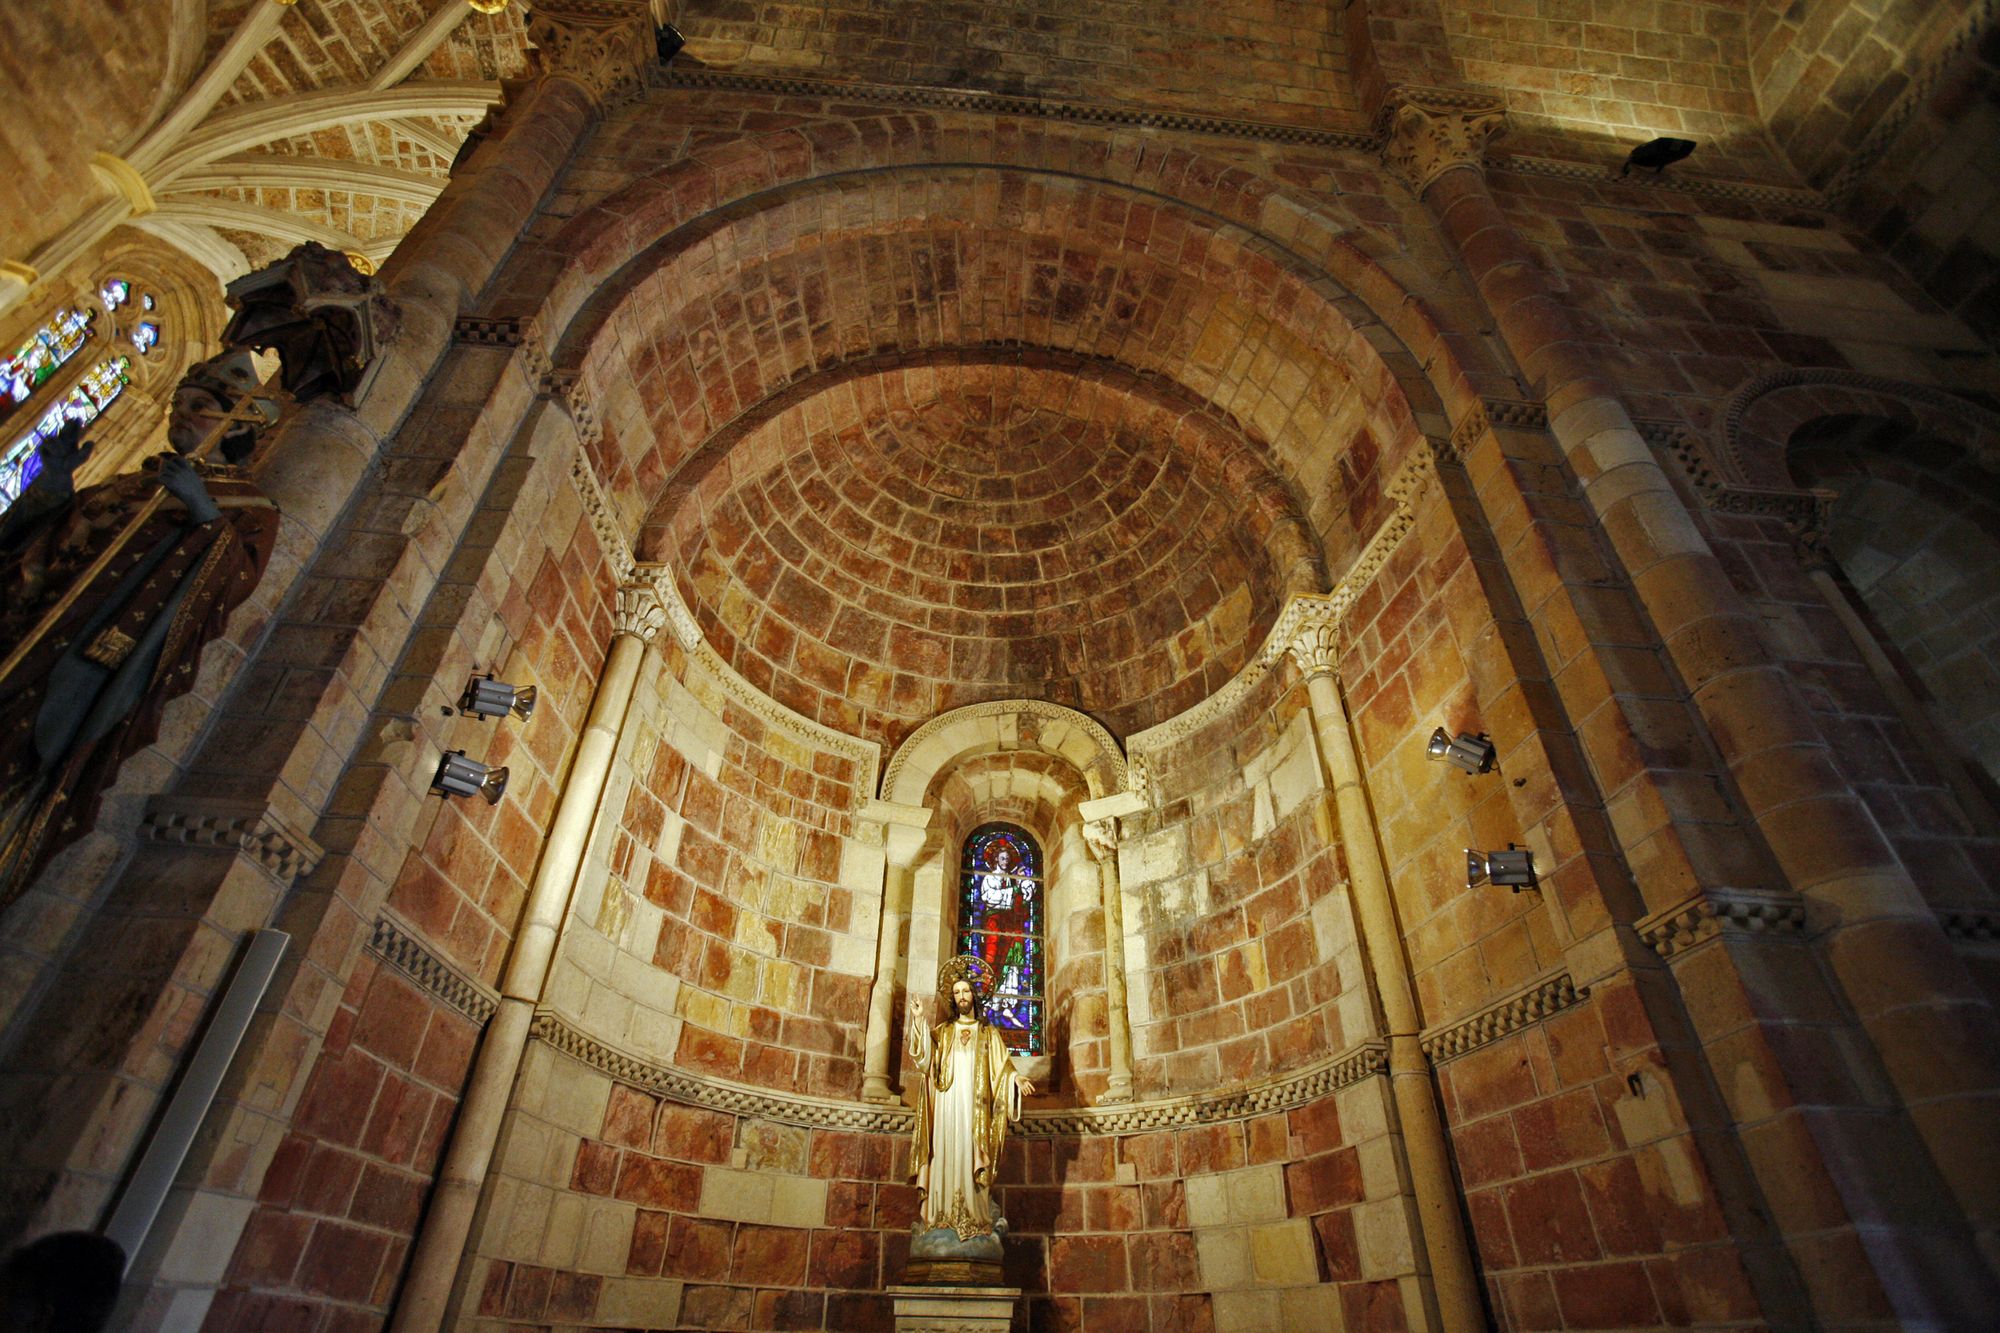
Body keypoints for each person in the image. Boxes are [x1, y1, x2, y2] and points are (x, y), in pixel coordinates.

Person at [0, 353, 278, 908]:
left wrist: (204, 515)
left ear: (238, 426)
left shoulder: (244, 506)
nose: (183, 416)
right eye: (179, 405)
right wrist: (52, 486)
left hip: (84, 655)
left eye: (200, 408)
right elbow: (39, 542)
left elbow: (230, 583)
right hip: (24, 622)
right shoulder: (137, 483)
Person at [905, 956, 1035, 1252]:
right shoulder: (942, 1033)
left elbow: (1003, 1068)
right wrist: (918, 1020)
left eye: (966, 991)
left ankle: (974, 1220)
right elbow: (925, 1061)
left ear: (974, 995)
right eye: (957, 993)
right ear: (952, 999)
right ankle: (940, 1219)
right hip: (947, 1107)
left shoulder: (989, 1034)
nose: (962, 997)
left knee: (970, 1153)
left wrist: (1016, 1081)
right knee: (945, 1153)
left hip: (974, 1111)